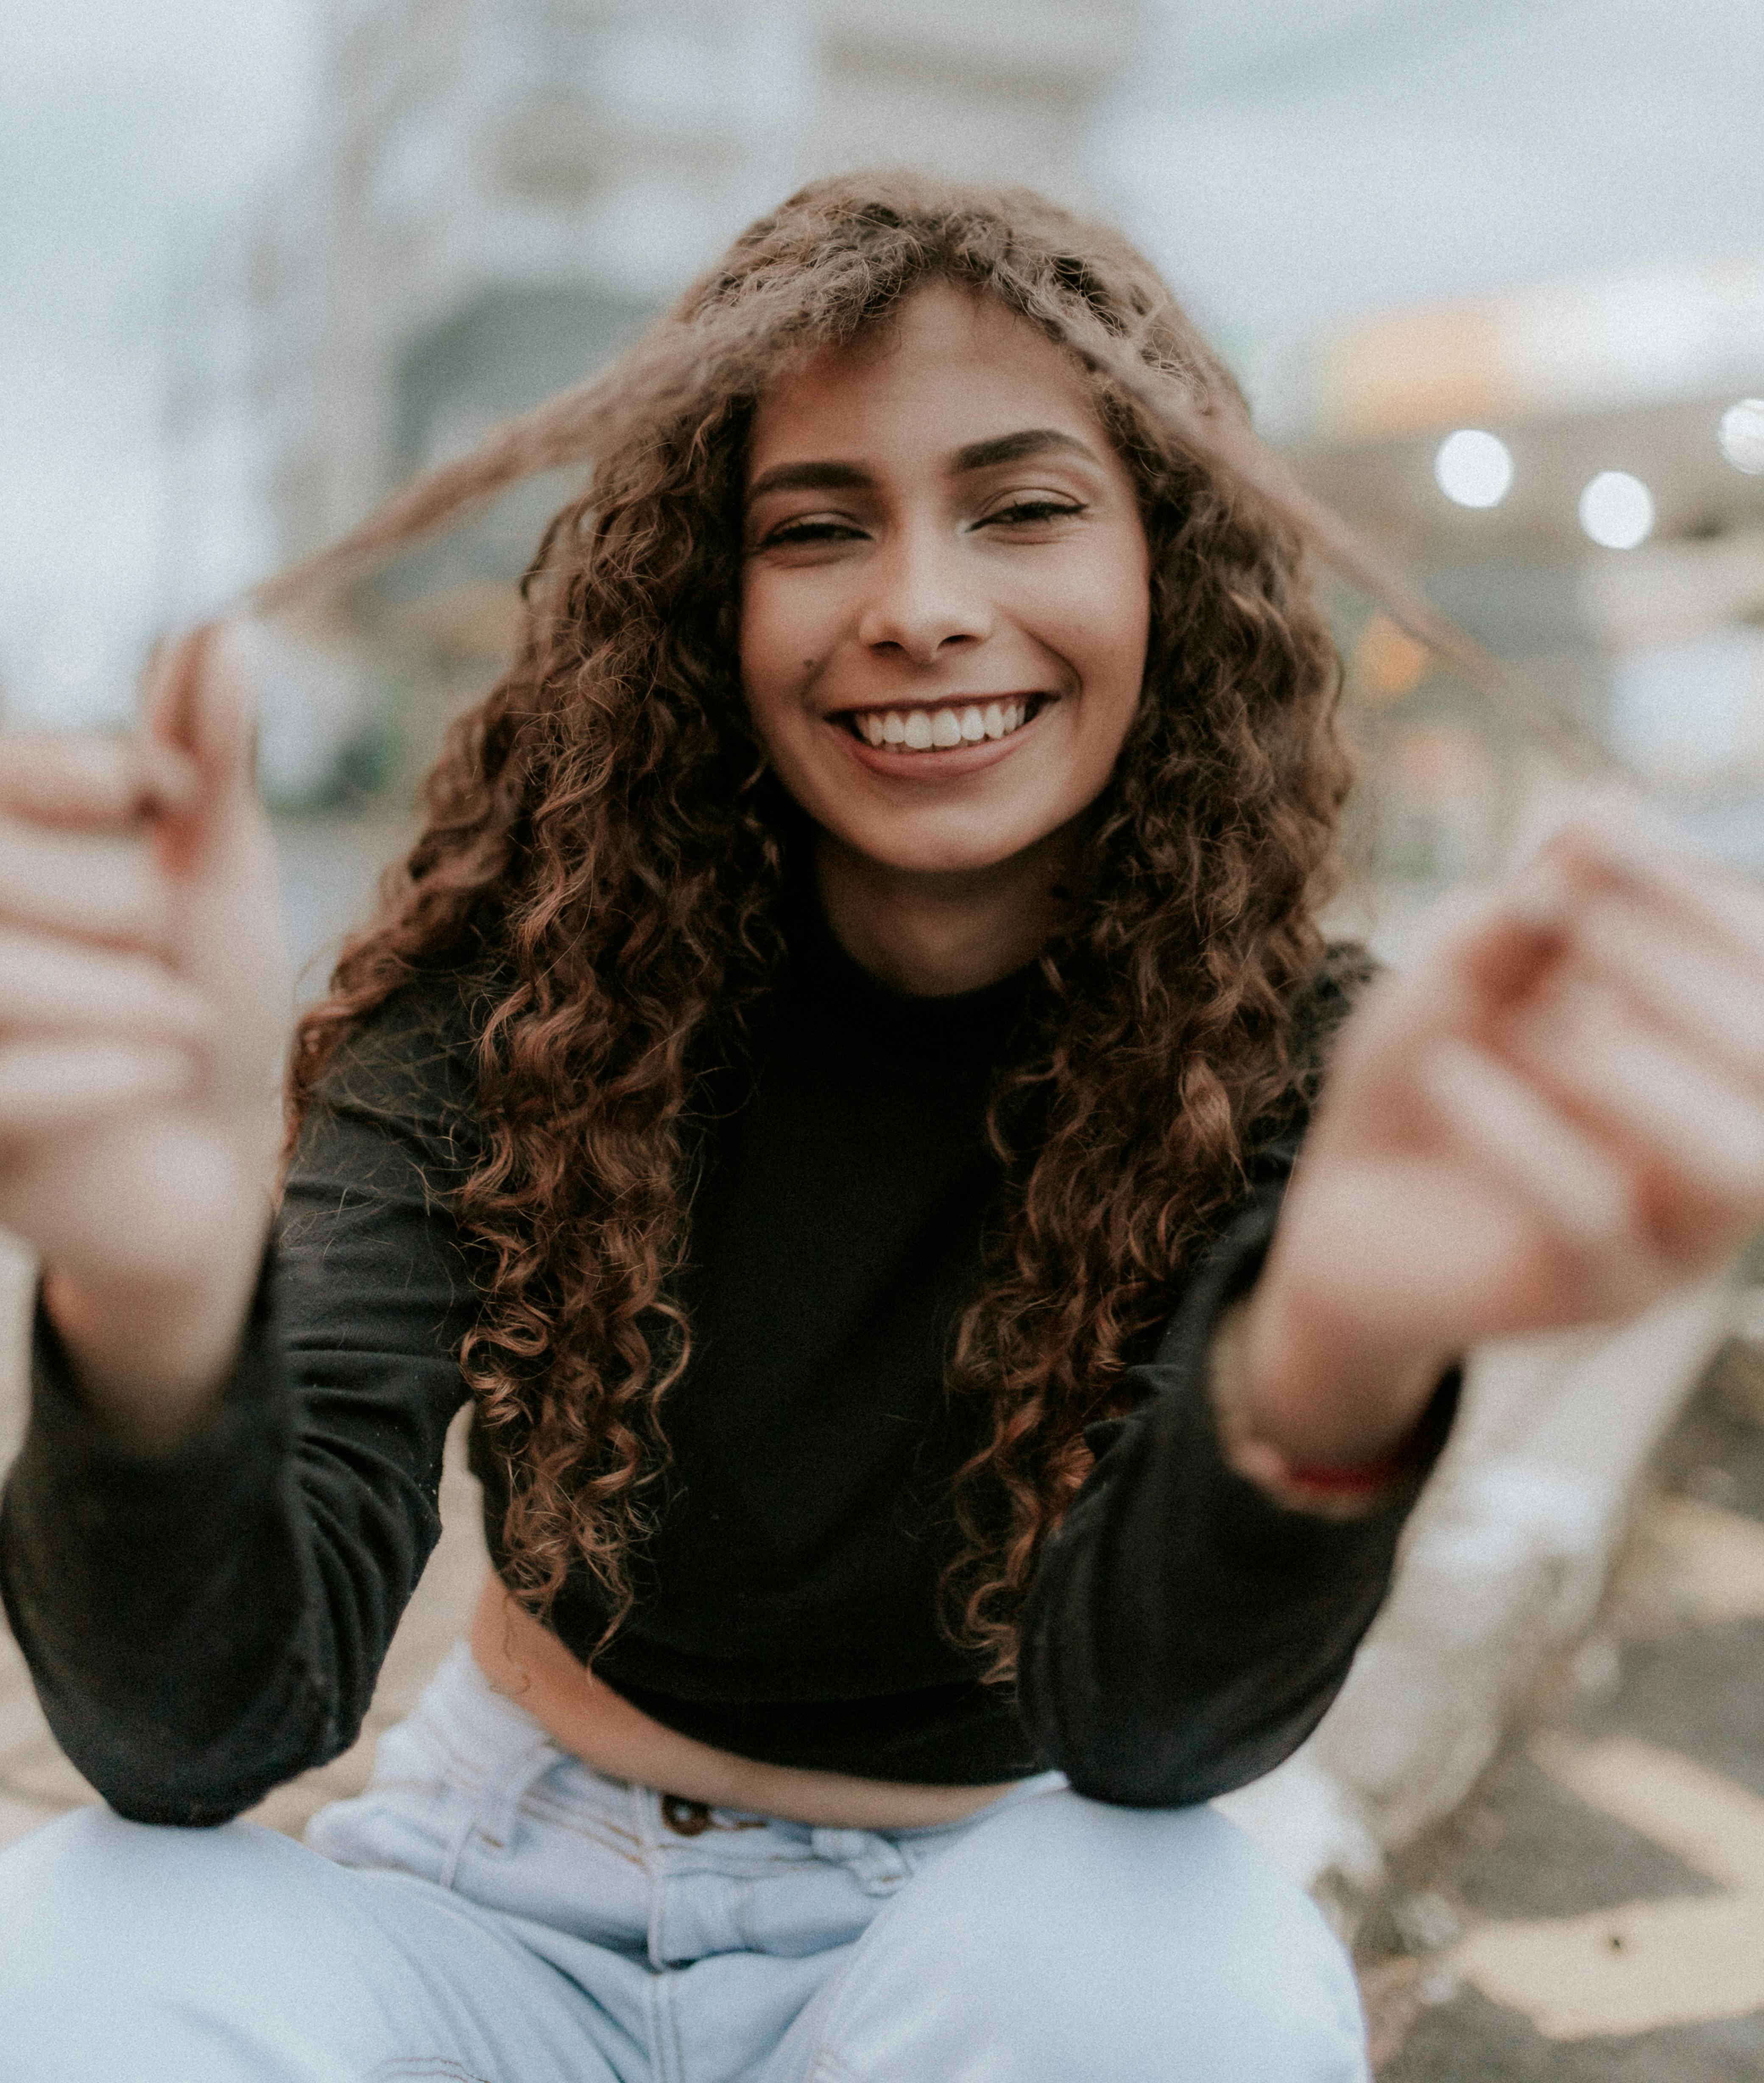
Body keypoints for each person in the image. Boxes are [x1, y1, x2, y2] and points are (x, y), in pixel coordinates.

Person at [0, 177, 1760, 2083]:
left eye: (1022, 507)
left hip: (979, 1950)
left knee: (1184, 1962)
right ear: (706, 598)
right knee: (83, 1943)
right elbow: (198, 1737)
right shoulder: (509, 990)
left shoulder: (1309, 1064)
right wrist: (153, 1307)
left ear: (1170, 562)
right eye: (815, 526)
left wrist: (1329, 1354)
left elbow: (1149, 1742)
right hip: (483, 1905)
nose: (920, 609)